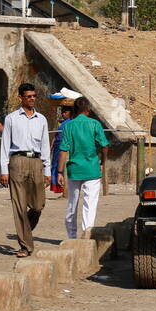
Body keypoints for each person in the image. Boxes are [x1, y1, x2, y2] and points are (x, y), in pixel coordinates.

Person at [0, 83, 51, 258]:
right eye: (28, 96)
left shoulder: (41, 119)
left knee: (38, 206)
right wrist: (4, 169)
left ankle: (24, 230)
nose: (32, 99)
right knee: (19, 206)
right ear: (20, 97)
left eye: (34, 96)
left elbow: (45, 145)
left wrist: (47, 171)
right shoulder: (11, 118)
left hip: (36, 162)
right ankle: (26, 245)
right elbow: (5, 144)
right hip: (17, 161)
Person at [58, 97, 109, 240]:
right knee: (89, 205)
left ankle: (72, 237)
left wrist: (59, 171)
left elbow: (63, 150)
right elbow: (104, 145)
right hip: (92, 169)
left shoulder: (69, 126)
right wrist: (102, 162)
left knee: (72, 204)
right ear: (88, 109)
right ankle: (87, 236)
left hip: (75, 170)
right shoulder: (95, 124)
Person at [51, 102, 75, 194]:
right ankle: (57, 186)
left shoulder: (71, 123)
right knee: (55, 165)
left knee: (63, 166)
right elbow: (56, 135)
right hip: (57, 147)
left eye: (65, 112)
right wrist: (52, 145)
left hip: (64, 148)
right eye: (62, 112)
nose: (63, 114)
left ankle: (64, 188)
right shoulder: (61, 124)